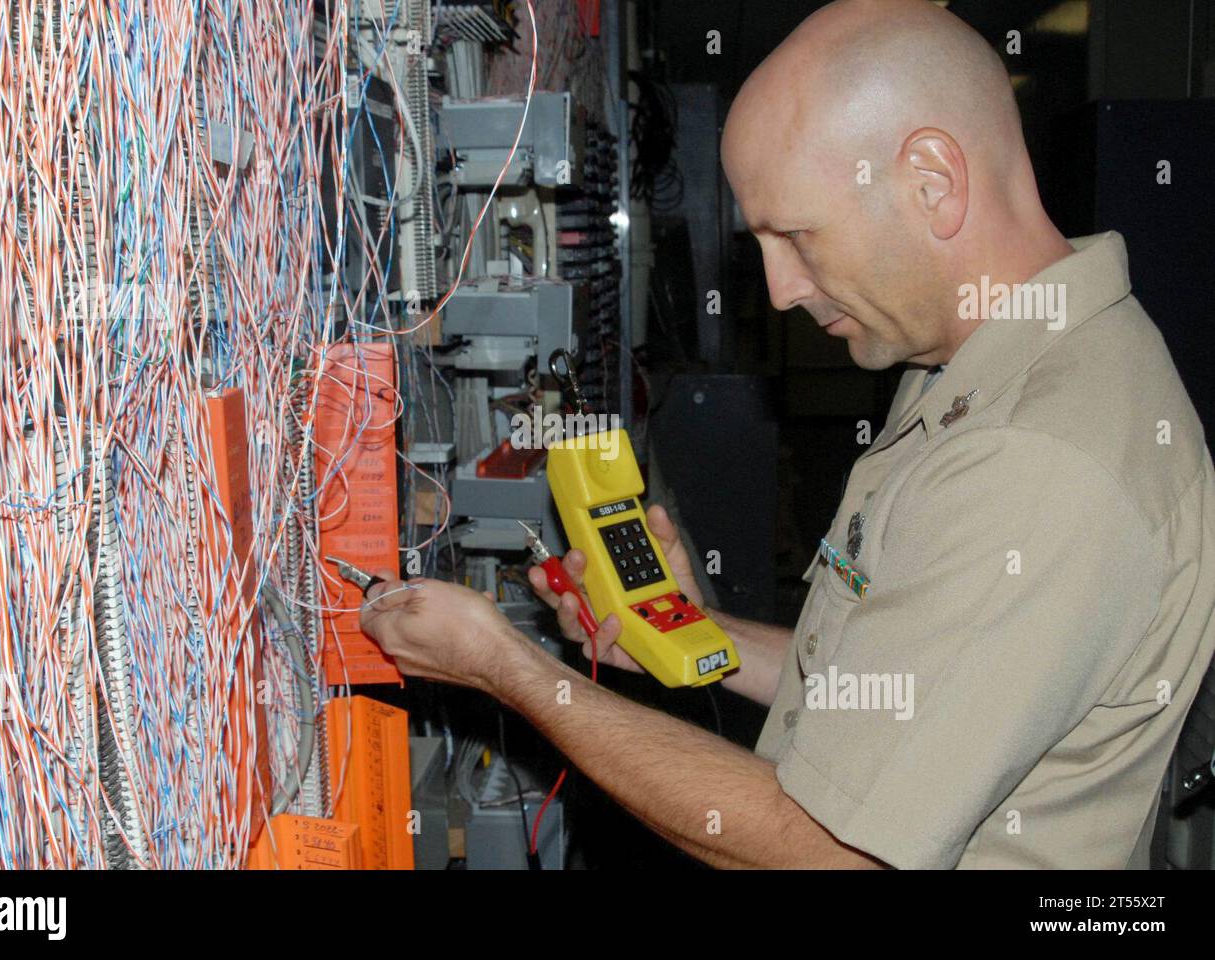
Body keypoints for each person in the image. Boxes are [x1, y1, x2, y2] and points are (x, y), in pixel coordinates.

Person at [359, 0, 1215, 868]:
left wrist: (508, 670)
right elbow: (899, 686)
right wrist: (697, 633)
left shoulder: (1043, 458)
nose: (777, 289)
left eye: (796, 234)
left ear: (932, 179)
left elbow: (822, 849)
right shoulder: (980, 360)